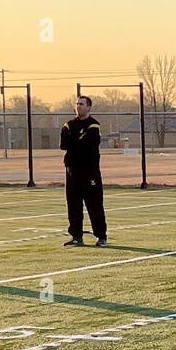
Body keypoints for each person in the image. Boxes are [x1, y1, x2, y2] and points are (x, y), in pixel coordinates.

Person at [61, 96, 107, 247]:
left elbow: (89, 145)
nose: (78, 106)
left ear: (89, 107)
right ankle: (76, 236)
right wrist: (78, 140)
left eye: (82, 104)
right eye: (77, 104)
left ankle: (101, 236)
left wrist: (76, 141)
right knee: (73, 206)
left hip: (90, 172)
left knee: (95, 206)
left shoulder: (94, 125)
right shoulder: (68, 125)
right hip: (72, 171)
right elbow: (64, 145)